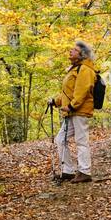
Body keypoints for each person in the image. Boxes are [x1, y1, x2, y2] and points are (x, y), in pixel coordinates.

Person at [47, 40, 97, 184]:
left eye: (74, 50)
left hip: (80, 111)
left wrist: (72, 106)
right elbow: (68, 93)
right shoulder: (75, 69)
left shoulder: (85, 69)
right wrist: (56, 102)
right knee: (60, 139)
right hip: (72, 111)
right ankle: (68, 171)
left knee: (81, 141)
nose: (70, 51)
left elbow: (82, 91)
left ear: (81, 54)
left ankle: (85, 172)